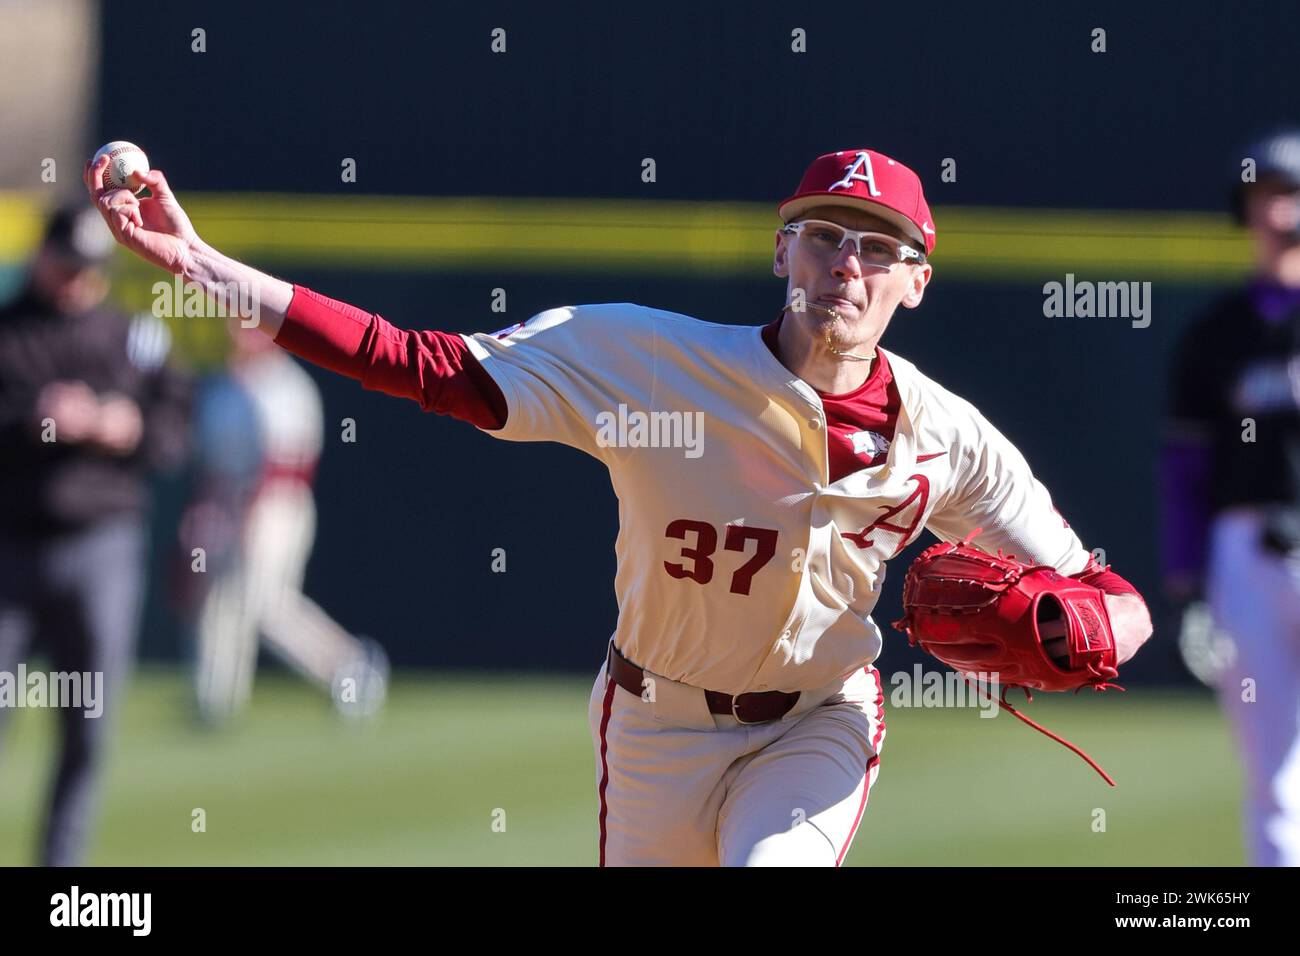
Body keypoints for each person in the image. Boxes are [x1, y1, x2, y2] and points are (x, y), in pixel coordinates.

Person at [84, 146, 1152, 867]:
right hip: (653, 721)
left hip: (818, 722)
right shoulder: (650, 361)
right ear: (781, 250)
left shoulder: (948, 435)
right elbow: (415, 361)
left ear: (915, 280)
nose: (845, 265)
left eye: (877, 247)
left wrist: (1083, 624)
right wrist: (201, 263)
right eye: (824, 235)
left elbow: (1111, 594)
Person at [0, 201, 189, 866]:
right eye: (65, 266)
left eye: (89, 269)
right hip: (12, 546)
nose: (76, 281)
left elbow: (172, 428)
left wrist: (124, 427)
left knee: (87, 726)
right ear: (41, 258)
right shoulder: (10, 328)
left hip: (101, 545)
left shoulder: (134, 334)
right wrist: (37, 417)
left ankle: (62, 875)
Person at [1163, 129, 1300, 867]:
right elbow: (1184, 466)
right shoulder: (1214, 334)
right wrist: (1187, 582)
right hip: (1246, 553)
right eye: (1263, 198)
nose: (1276, 213)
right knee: (1272, 770)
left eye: (1289, 195)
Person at [180, 322, 388, 723]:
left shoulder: (287, 386)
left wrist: (248, 516)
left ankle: (348, 667)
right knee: (217, 600)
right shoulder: (222, 387)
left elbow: (284, 463)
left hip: (276, 504)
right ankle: (213, 700)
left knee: (266, 603)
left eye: (247, 330)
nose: (237, 338)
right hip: (225, 501)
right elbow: (208, 462)